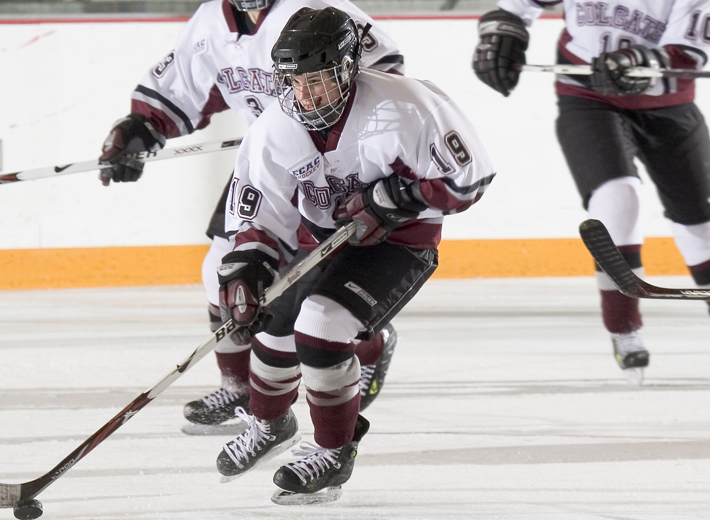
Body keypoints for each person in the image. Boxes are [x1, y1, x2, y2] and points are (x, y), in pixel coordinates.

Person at [214, 6, 495, 501]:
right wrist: (248, 267)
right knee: (272, 326)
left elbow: (469, 179)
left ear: (348, 68)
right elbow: (259, 211)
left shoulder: (406, 105)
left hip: (399, 244)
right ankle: (268, 423)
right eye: (295, 82)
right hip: (319, 242)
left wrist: (393, 200)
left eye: (319, 80)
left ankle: (333, 451)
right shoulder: (276, 125)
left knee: (321, 327)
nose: (306, 94)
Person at [96, 0, 405, 429]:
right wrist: (141, 127)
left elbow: (383, 73)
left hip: (335, 168)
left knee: (316, 295)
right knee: (222, 270)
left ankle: (370, 345)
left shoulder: (316, 11)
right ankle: (240, 387)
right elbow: (182, 86)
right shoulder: (209, 23)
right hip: (271, 165)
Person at [472, 0, 710, 384]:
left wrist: (642, 60)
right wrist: (505, 26)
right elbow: (521, 4)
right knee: (616, 200)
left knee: (701, 228)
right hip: (588, 99)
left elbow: (689, 53)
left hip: (671, 109)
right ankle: (624, 328)